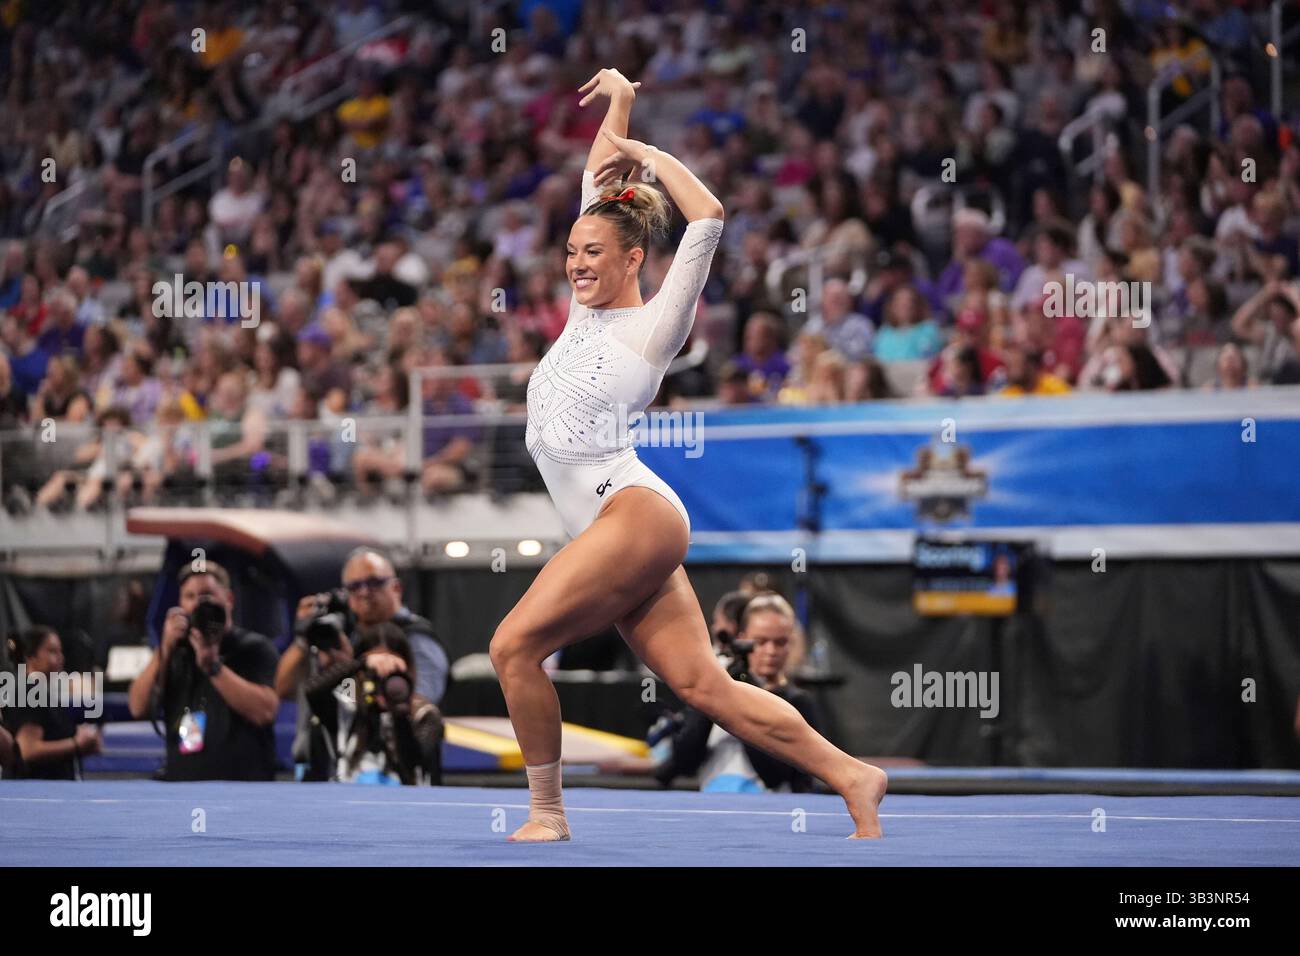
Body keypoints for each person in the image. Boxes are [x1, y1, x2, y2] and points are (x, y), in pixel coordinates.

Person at [492, 68, 887, 842]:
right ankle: (853, 775)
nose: (576, 263)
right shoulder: (584, 307)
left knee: (513, 646)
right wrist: (622, 102)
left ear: (633, 259)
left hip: (631, 514)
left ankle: (546, 813)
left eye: (593, 252)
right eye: (571, 251)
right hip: (620, 519)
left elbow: (706, 215)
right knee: (702, 683)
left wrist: (646, 146)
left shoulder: (653, 325)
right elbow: (597, 179)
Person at [653, 593, 821, 793]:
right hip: (715, 808)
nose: (771, 651)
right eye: (761, 641)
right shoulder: (717, 691)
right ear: (742, 639)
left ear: (790, 644)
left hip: (774, 811)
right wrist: (714, 692)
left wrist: (740, 700)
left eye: (780, 642)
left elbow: (774, 776)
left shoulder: (798, 702)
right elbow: (684, 763)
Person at [126, 561, 279, 781]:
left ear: (228, 599)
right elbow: (137, 707)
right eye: (190, 596)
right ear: (180, 604)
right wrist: (165, 650)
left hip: (244, 792)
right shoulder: (174, 653)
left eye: (207, 594)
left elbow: (264, 712)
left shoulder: (254, 647)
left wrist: (213, 667)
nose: (198, 603)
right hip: (182, 789)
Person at [303, 622, 443, 785]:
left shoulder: (424, 714)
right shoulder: (345, 709)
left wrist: (399, 710)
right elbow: (312, 691)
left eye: (392, 674)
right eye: (374, 673)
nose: (382, 681)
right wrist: (361, 663)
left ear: (406, 672)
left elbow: (413, 763)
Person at [3, 627, 102, 779]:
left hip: (50, 790)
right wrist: (76, 743)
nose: (60, 658)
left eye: (60, 651)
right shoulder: (30, 692)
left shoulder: (44, 693)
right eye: (52, 651)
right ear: (31, 656)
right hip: (34, 793)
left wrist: (79, 738)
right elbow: (26, 749)